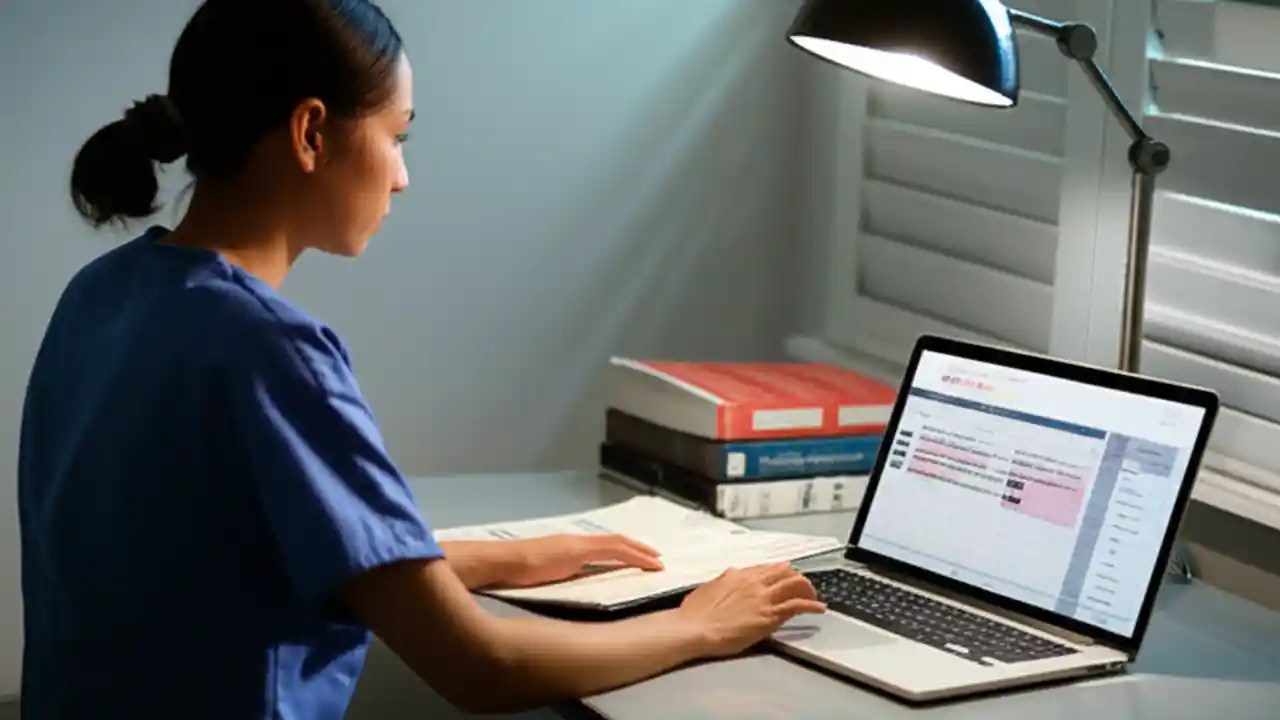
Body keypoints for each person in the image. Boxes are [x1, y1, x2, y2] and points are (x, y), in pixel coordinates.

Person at [16, 1, 827, 717]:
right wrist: (699, 625)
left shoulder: (102, 294)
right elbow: (482, 669)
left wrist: (503, 559)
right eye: (397, 137)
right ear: (310, 133)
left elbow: (234, 563)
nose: (403, 178)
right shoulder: (270, 352)